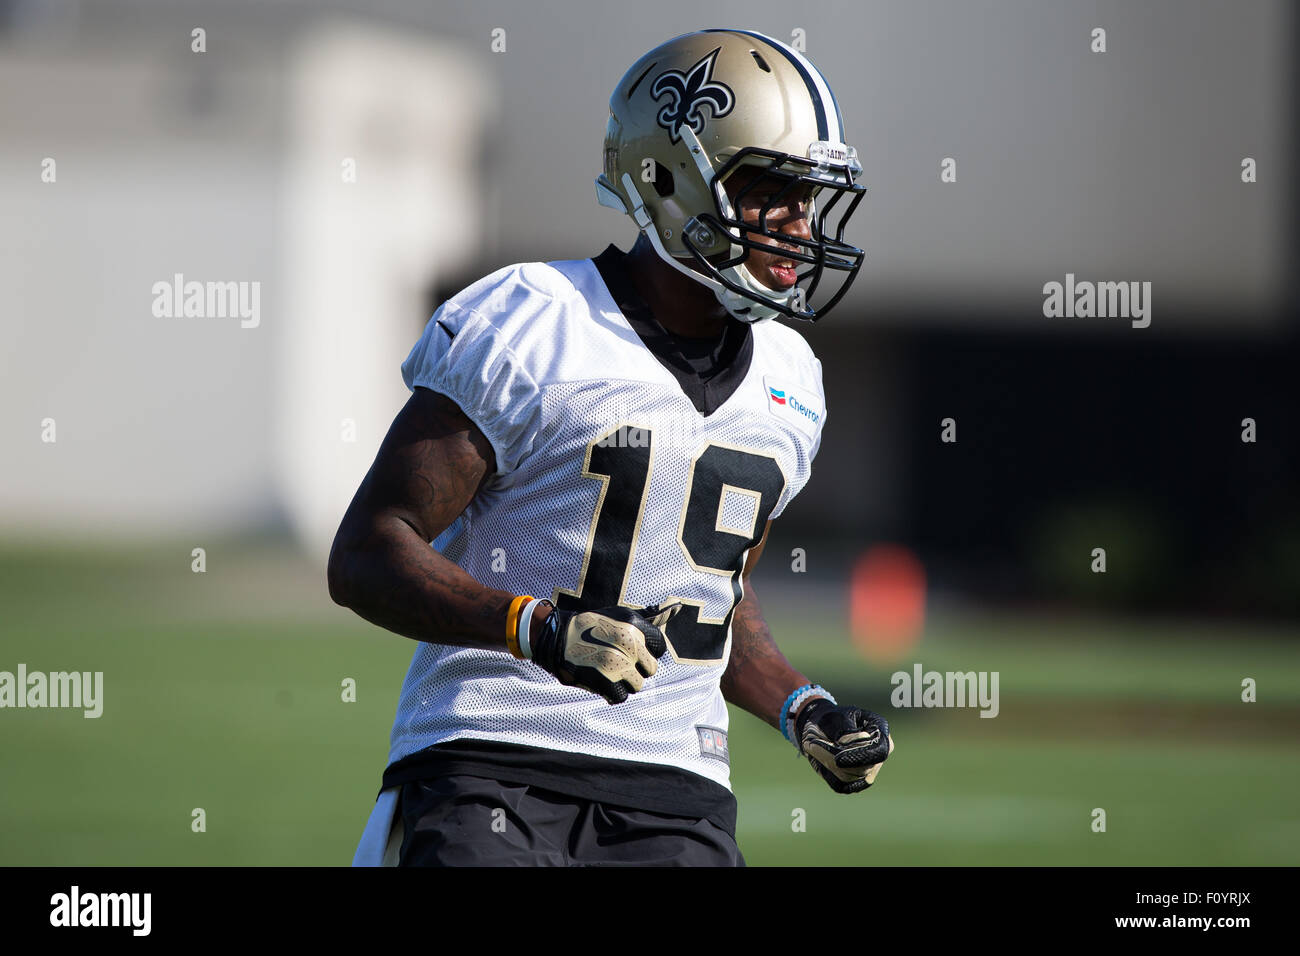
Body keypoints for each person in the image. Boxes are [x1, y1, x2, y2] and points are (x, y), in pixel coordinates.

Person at [331, 27, 893, 867]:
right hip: (492, 760)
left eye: (809, 197)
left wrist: (799, 706)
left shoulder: (791, 378)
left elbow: (715, 592)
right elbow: (369, 551)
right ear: (667, 181)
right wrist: (535, 627)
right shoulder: (536, 321)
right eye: (771, 188)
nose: (799, 224)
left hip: (675, 791)